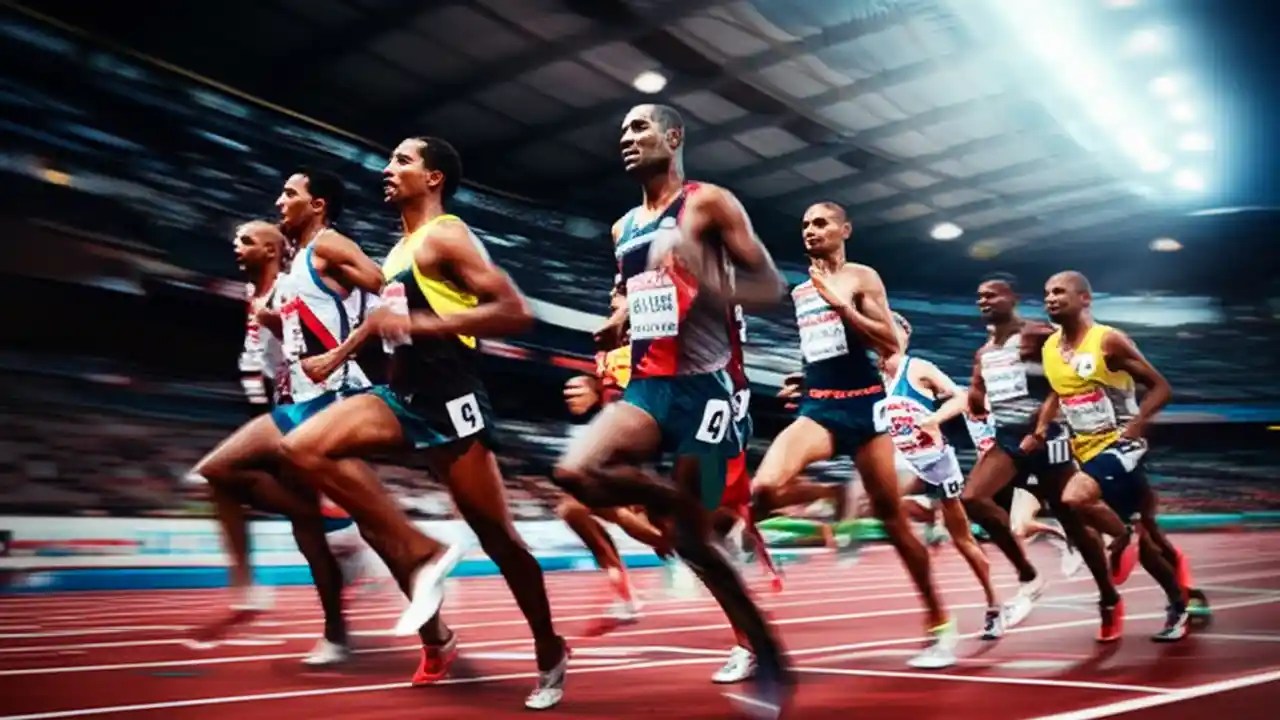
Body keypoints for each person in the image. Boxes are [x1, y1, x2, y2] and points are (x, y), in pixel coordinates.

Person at [277, 136, 569, 709]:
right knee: (303, 448)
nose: (387, 170)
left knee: (499, 539)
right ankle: (420, 551)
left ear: (433, 178)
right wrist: (339, 356)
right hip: (402, 395)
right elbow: (388, 320)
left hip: (452, 400)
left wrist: (429, 325)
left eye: (402, 161)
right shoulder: (397, 251)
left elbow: (515, 311)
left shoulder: (448, 235)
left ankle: (549, 647)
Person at [551, 103, 791, 717]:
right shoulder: (623, 226)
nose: (626, 138)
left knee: (695, 543)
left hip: (711, 390)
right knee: (577, 472)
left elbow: (771, 289)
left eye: (639, 127)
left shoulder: (710, 203)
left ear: (674, 136)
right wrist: (616, 324)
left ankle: (768, 656)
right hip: (650, 386)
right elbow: (634, 297)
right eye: (622, 130)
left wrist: (712, 283)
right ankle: (689, 514)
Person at [748, 201, 956, 670]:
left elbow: (891, 344)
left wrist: (842, 306)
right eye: (804, 225)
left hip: (865, 410)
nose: (810, 230)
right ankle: (762, 549)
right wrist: (803, 377)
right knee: (762, 488)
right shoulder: (802, 290)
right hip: (820, 406)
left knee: (894, 522)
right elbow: (821, 351)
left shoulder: (862, 278)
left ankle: (940, 625)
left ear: (845, 229)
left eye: (820, 223)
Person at [188, 172, 380, 665]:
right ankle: (337, 632)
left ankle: (265, 581)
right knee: (307, 536)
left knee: (217, 470)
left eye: (248, 240)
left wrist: (338, 355)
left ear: (273, 251)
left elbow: (366, 299)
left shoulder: (293, 287)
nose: (238, 247)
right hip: (293, 408)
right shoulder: (260, 301)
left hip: (325, 404)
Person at [1039, 270, 1207, 641]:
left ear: (1085, 298)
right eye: (1047, 293)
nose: (1050, 298)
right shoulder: (1050, 348)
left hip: (1124, 445)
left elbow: (1161, 387)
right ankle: (1179, 604)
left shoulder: (1108, 341)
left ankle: (1122, 535)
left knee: (1073, 497)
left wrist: (1138, 423)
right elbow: (1059, 393)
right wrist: (1043, 427)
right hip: (1086, 450)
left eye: (1060, 291)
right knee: (1150, 550)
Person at [963, 274, 1119, 639]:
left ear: (1012, 298)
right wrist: (975, 396)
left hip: (1047, 438)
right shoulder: (983, 352)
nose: (983, 301)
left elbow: (1061, 382)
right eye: (979, 296)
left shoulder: (1037, 334)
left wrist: (1041, 427)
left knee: (1074, 521)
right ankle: (1028, 575)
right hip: (1007, 437)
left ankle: (1108, 598)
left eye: (992, 295)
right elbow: (977, 393)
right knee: (972, 498)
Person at [875, 312, 1009, 639]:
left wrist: (934, 419)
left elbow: (962, 397)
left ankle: (994, 603)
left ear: (905, 337)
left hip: (936, 461)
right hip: (901, 459)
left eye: (896, 331)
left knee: (963, 540)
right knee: (879, 500)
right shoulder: (871, 376)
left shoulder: (917, 367)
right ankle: (927, 518)